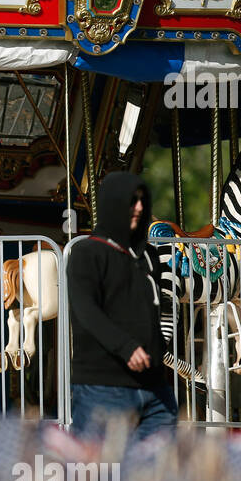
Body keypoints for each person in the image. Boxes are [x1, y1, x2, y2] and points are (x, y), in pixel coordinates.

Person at [67, 172, 177, 441]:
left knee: (155, 476)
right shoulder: (86, 253)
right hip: (104, 386)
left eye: (142, 200)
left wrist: (158, 347)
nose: (139, 207)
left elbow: (154, 307)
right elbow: (86, 311)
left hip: (155, 390)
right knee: (101, 477)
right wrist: (125, 347)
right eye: (131, 201)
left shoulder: (149, 255)